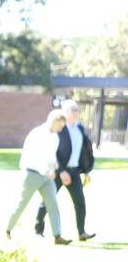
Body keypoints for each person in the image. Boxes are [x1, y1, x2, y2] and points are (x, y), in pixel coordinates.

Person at [6, 109, 72, 244]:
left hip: (47, 177)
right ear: (54, 121)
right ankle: (7, 230)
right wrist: (46, 171)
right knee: (22, 204)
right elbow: (33, 157)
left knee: (53, 204)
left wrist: (55, 169)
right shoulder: (37, 134)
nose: (60, 129)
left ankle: (57, 236)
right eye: (60, 126)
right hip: (32, 174)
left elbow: (51, 157)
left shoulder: (55, 137)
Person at [33, 97, 95, 240]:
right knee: (48, 201)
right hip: (58, 171)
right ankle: (38, 230)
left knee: (80, 201)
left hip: (75, 171)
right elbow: (52, 152)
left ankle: (82, 232)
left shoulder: (79, 128)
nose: (75, 112)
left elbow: (83, 151)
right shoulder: (59, 128)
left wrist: (86, 171)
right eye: (72, 110)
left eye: (77, 110)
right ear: (64, 112)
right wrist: (61, 171)